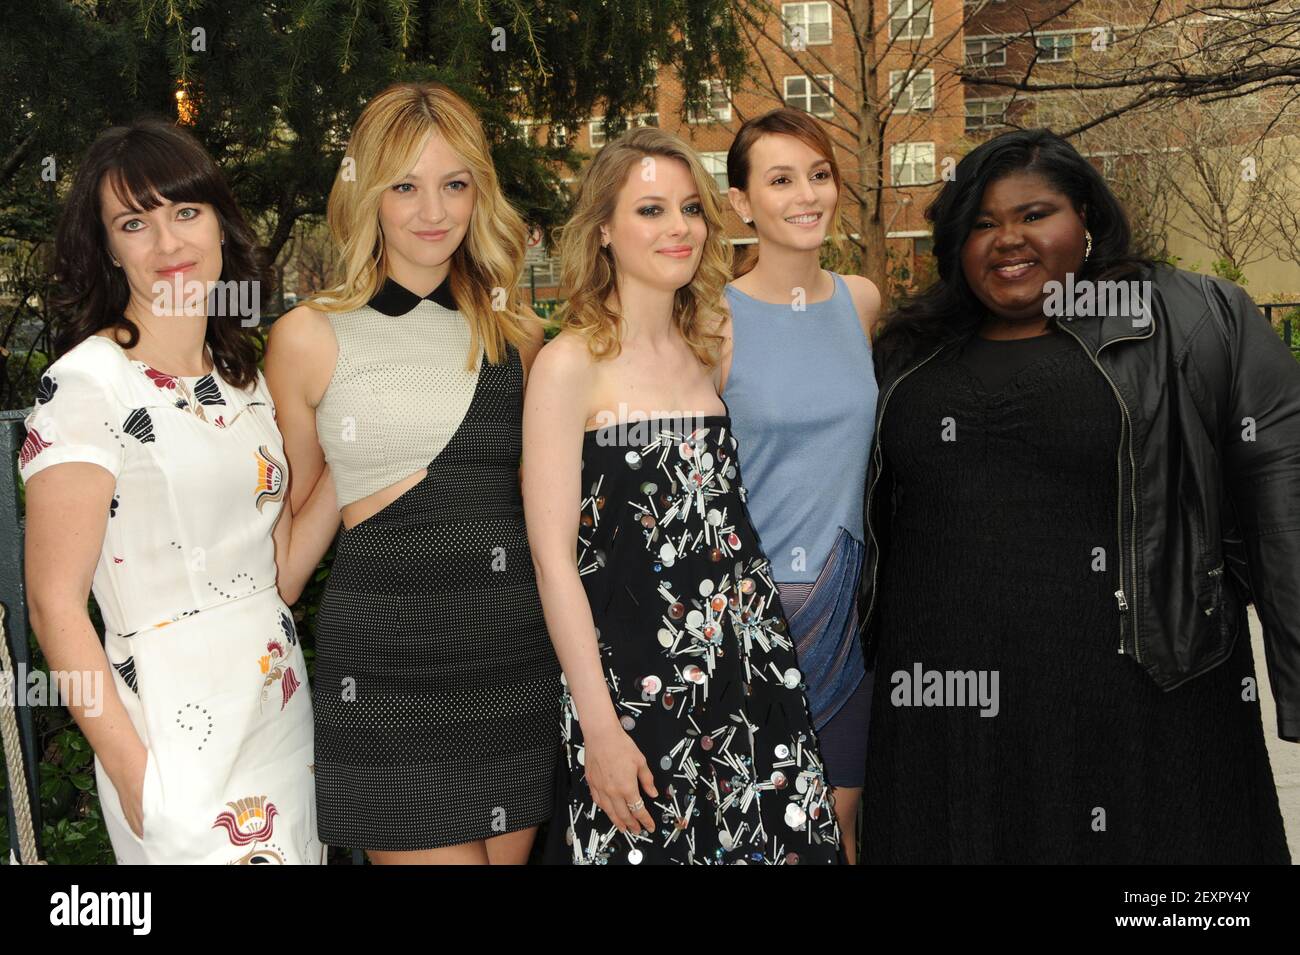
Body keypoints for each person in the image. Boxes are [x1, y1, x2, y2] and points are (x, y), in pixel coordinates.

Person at [860, 127, 1296, 864]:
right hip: (946, 709)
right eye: (982, 223)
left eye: (1034, 214)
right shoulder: (908, 346)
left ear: (1086, 216)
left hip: (1141, 695)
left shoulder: (1188, 318)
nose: (1007, 240)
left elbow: (1282, 499)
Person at [525, 126, 841, 865]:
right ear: (602, 228)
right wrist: (599, 727)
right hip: (631, 684)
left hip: (747, 668)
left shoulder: (713, 344)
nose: (678, 228)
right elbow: (553, 561)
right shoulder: (569, 364)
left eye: (691, 208)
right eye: (650, 210)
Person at [265, 81, 561, 864]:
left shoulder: (522, 337)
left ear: (479, 194)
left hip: (513, 667)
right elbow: (288, 544)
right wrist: (350, 454)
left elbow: (548, 510)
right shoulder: (307, 337)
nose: (433, 210)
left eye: (454, 184)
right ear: (368, 194)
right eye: (405, 185)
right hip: (388, 678)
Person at [21, 118, 328, 864]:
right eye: (135, 222)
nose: (168, 244)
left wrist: (360, 455)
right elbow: (52, 603)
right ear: (109, 249)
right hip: (170, 728)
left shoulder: (242, 382)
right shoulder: (86, 384)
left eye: (185, 212)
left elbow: (278, 573)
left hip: (279, 711)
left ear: (220, 224)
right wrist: (135, 777)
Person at [718, 107, 881, 862]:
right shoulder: (711, 323)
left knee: (839, 820)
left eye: (819, 175)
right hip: (753, 621)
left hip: (846, 614)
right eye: (781, 179)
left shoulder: (862, 300)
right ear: (742, 203)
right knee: (761, 833)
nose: (807, 194)